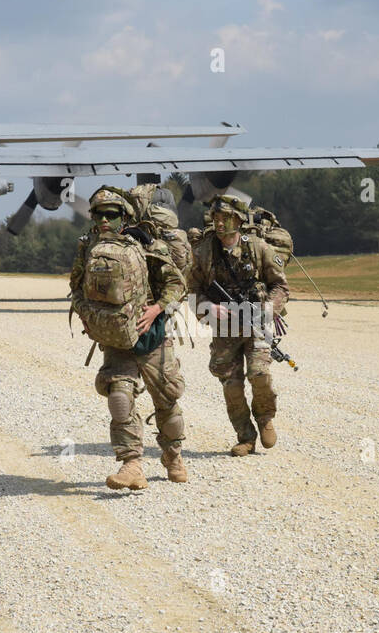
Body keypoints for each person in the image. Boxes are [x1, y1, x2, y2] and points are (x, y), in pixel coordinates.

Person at [69, 186, 187, 489]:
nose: (104, 220)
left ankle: (173, 455)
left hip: (153, 337)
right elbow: (76, 287)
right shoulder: (88, 247)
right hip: (116, 339)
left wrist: (157, 309)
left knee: (167, 399)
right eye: (98, 214)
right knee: (120, 397)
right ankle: (131, 463)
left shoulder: (147, 244)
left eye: (112, 214)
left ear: (125, 216)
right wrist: (89, 316)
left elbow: (177, 284)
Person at [187, 194, 289, 456]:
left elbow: (280, 286)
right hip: (225, 328)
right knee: (231, 385)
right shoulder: (203, 253)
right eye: (216, 218)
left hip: (256, 323)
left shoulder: (259, 248)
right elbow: (193, 291)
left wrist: (269, 309)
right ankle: (245, 436)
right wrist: (208, 308)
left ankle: (265, 417)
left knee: (260, 374)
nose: (219, 223)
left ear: (239, 220)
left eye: (225, 218)